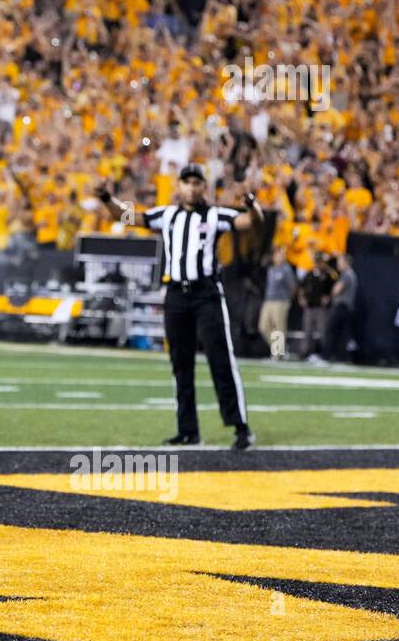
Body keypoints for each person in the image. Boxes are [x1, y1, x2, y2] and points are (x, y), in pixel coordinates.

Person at [98, 163, 263, 449]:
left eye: (197, 182)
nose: (192, 187)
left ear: (204, 187)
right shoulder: (167, 214)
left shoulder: (215, 214)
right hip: (176, 293)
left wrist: (250, 202)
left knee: (220, 359)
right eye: (187, 182)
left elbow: (252, 223)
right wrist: (105, 198)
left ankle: (241, 427)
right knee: (180, 363)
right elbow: (128, 217)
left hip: (206, 293)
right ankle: (188, 430)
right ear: (179, 185)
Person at [258, 245, 297, 358]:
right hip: (268, 301)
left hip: (281, 301)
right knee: (263, 327)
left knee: (279, 327)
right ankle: (280, 347)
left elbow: (292, 287)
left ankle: (278, 354)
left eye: (281, 254)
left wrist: (287, 300)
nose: (280, 256)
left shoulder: (286, 270)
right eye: (278, 254)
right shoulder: (271, 269)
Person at [298, 254, 337, 361]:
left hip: (321, 308)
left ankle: (324, 354)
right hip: (309, 307)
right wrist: (301, 298)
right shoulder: (309, 274)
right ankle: (305, 353)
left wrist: (328, 298)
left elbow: (333, 289)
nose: (318, 264)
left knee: (323, 331)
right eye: (316, 262)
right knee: (307, 331)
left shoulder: (328, 275)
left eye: (320, 262)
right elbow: (301, 287)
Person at [323, 254, 359, 362]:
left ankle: (326, 356)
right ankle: (341, 357)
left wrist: (332, 290)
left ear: (346, 263)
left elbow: (336, 290)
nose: (338, 264)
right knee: (343, 333)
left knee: (330, 330)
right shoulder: (351, 274)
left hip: (341, 306)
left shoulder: (346, 275)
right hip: (347, 307)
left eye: (340, 262)